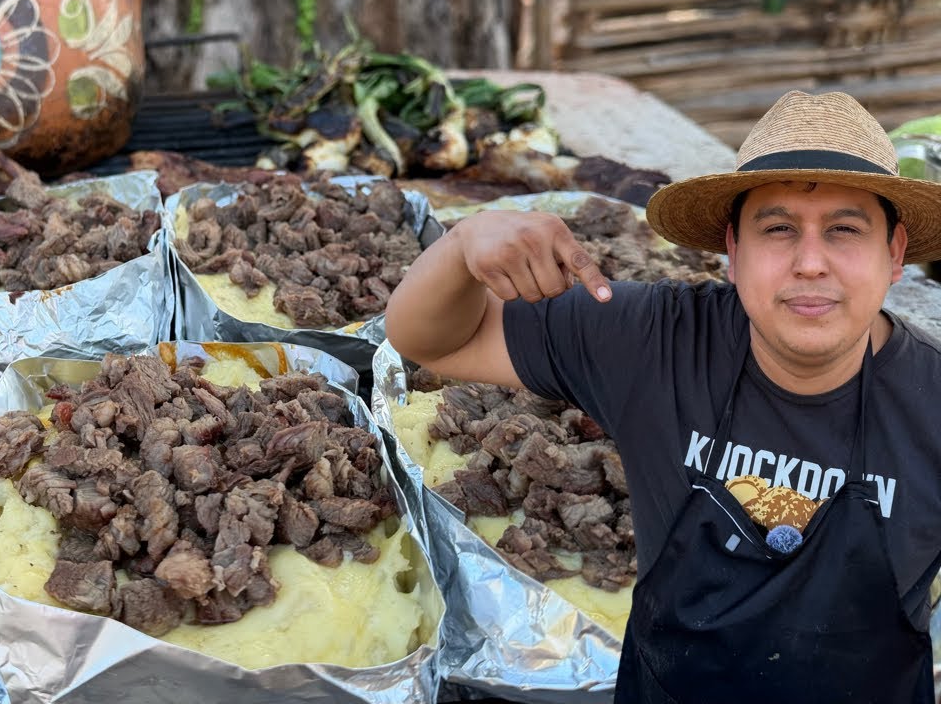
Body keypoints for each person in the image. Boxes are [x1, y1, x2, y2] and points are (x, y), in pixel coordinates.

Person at [384, 90, 941, 703]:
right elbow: (428, 339)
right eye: (778, 229)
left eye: (845, 230)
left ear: (893, 254)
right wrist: (464, 246)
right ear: (733, 251)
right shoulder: (653, 340)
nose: (811, 262)